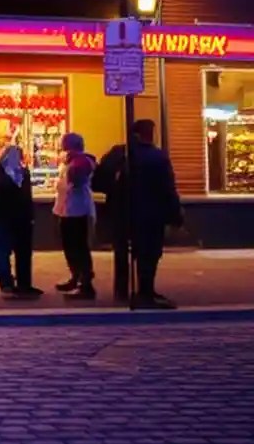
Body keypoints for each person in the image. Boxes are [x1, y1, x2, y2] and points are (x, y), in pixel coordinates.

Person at [92, 119, 183, 309]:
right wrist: (175, 215)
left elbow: (97, 182)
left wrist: (115, 189)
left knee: (122, 251)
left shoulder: (118, 154)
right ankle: (145, 291)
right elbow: (167, 188)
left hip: (120, 212)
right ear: (148, 134)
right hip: (150, 213)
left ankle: (122, 290)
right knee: (148, 253)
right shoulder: (157, 157)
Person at [0, 145, 41, 296]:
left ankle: (25, 284)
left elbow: (27, 197)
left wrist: (31, 216)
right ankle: (6, 283)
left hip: (23, 218)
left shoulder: (23, 173)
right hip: (4, 217)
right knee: (2, 251)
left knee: (24, 252)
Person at [54, 133, 98, 298]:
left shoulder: (80, 161)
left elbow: (75, 180)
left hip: (77, 210)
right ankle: (76, 276)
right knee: (70, 246)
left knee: (78, 246)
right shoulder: (71, 160)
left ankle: (85, 284)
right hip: (68, 209)